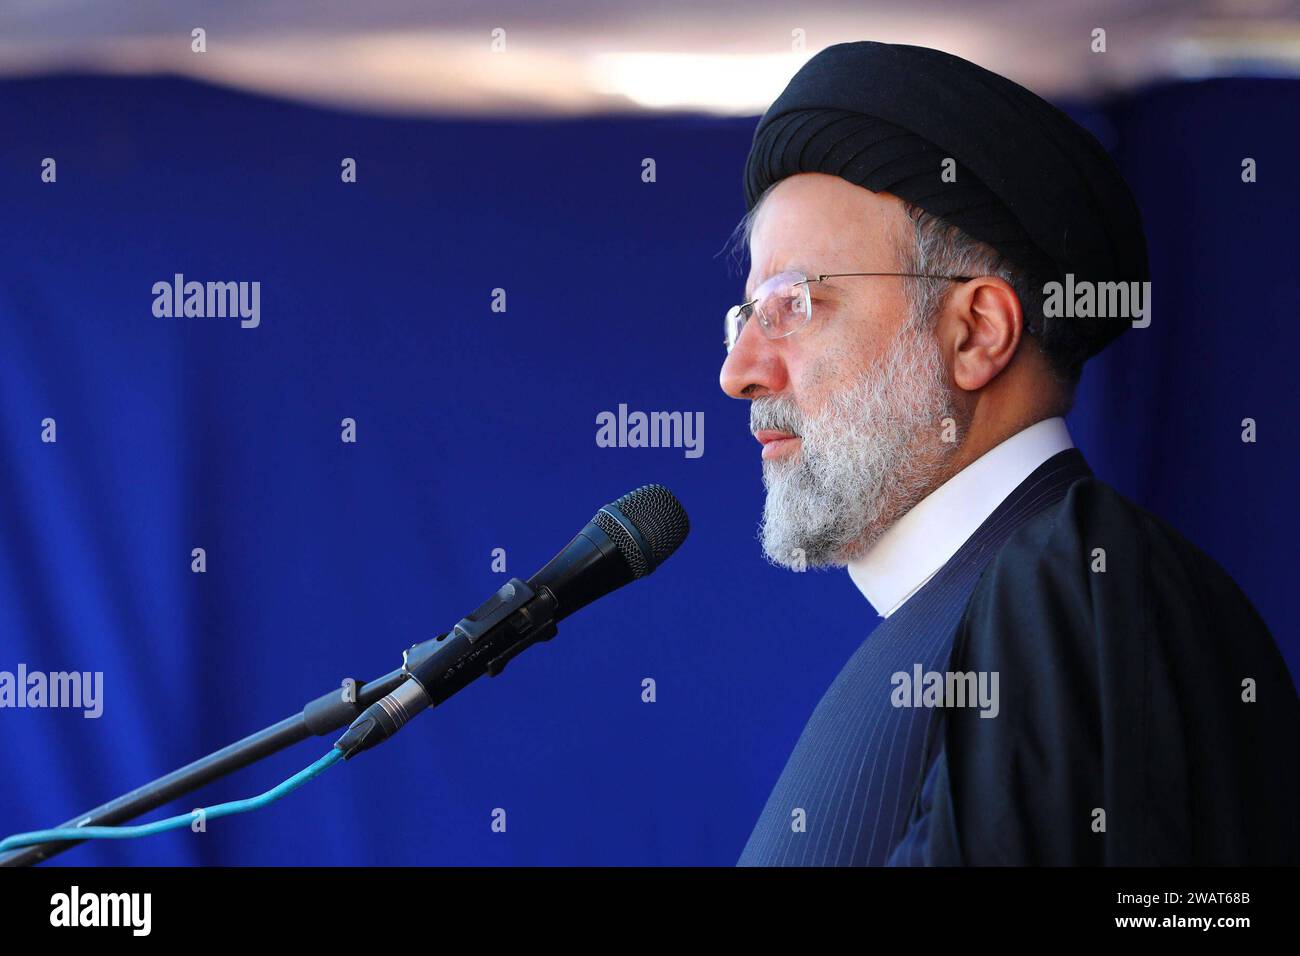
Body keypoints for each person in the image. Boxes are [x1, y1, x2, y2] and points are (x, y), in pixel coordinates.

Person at [722, 41, 1299, 866]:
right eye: (745, 318)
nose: (737, 372)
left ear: (975, 332)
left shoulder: (1075, 586)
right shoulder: (995, 602)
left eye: (794, 306)